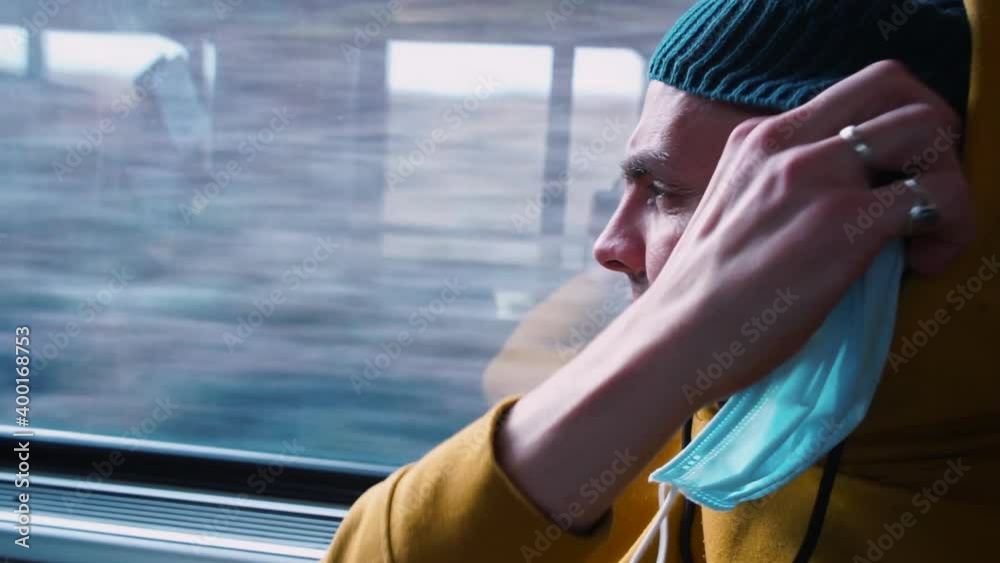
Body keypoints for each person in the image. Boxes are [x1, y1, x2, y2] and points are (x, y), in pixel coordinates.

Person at [325, 0, 999, 561]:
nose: (608, 246)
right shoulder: (695, 445)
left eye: (668, 193)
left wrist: (682, 325)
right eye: (628, 185)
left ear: (879, 217)